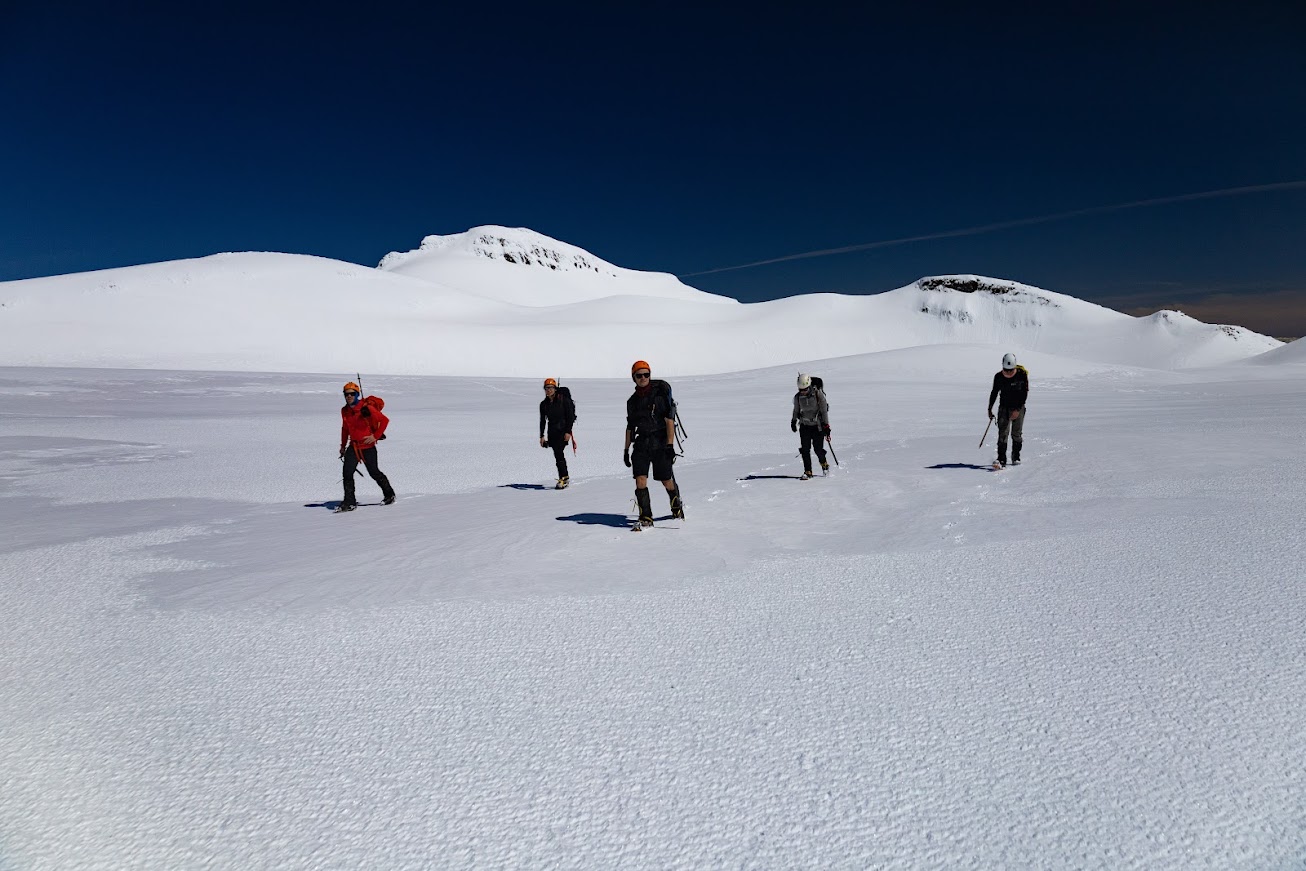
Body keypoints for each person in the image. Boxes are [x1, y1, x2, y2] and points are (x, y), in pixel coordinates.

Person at [623, 360, 683, 526]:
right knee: (640, 480)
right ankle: (646, 516)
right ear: (633, 378)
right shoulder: (632, 401)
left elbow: (668, 420)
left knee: (665, 479)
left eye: (646, 374)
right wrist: (626, 450)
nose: (643, 378)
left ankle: (675, 502)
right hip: (642, 443)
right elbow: (629, 427)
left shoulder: (659, 396)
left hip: (660, 441)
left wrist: (670, 446)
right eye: (639, 375)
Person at [338, 381, 395, 510]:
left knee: (374, 472)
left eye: (352, 394)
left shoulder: (366, 408)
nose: (349, 396)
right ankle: (349, 502)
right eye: (346, 394)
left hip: (368, 447)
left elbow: (384, 420)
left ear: (357, 394)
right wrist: (342, 446)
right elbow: (345, 428)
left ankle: (389, 494)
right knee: (347, 473)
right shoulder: (345, 410)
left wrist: (375, 436)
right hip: (354, 446)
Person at [987, 352, 1029, 468]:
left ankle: (1016, 457)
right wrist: (990, 408)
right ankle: (1001, 459)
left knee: (1016, 434)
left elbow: (1024, 394)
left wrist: (1017, 410)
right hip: (1004, 408)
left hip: (1018, 408)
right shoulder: (999, 377)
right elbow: (994, 392)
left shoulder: (1021, 375)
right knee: (1003, 434)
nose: (1008, 372)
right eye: (1006, 370)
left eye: (1011, 370)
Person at [538, 377, 576, 489]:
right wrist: (541, 436)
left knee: (559, 453)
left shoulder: (563, 400)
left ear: (555, 388)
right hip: (552, 431)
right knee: (557, 454)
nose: (548, 390)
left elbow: (570, 416)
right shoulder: (544, 404)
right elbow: (542, 420)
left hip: (563, 429)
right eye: (546, 388)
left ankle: (564, 478)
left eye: (550, 388)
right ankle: (565, 477)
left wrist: (568, 432)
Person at [791, 373, 831, 479]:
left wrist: (826, 426)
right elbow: (796, 410)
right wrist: (793, 421)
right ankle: (808, 471)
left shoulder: (818, 395)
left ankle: (824, 464)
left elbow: (823, 411)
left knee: (818, 449)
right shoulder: (798, 397)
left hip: (817, 426)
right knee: (805, 449)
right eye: (800, 390)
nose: (802, 392)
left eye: (804, 389)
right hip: (805, 426)